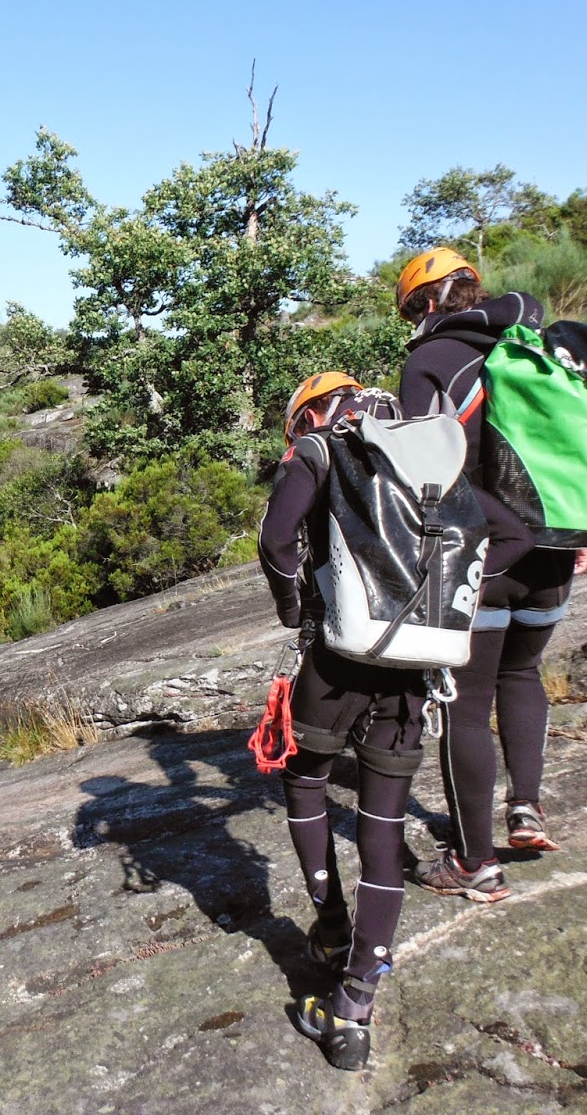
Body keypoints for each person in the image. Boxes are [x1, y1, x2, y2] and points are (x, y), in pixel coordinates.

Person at [392, 247, 579, 903]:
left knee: (465, 705)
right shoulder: (537, 346)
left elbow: (420, 471)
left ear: (423, 306)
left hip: (483, 553)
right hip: (557, 546)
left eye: (411, 308)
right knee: (523, 673)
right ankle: (525, 808)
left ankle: (474, 863)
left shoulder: (429, 361)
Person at [257, 371, 431, 1071]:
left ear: (307, 416)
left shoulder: (317, 452)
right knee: (383, 825)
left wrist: (295, 610)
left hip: (338, 655)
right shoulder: (420, 445)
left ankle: (330, 929)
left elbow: (277, 543)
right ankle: (355, 1005)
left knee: (305, 780)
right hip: (415, 655)